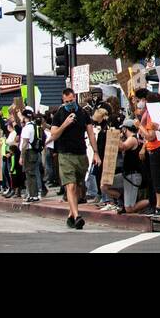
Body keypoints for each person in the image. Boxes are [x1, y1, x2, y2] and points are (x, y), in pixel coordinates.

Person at [50, 87, 99, 229]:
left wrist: (95, 152)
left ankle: (71, 215)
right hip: (65, 154)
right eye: (66, 102)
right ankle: (77, 216)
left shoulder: (83, 113)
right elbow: (54, 135)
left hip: (81, 153)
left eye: (71, 101)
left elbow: (91, 133)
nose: (69, 104)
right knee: (70, 185)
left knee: (77, 185)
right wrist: (64, 124)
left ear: (75, 98)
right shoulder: (59, 114)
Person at [139, 92, 160, 217]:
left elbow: (151, 136)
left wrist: (140, 127)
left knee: (159, 178)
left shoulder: (152, 116)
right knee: (158, 178)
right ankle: (159, 205)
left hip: (156, 148)